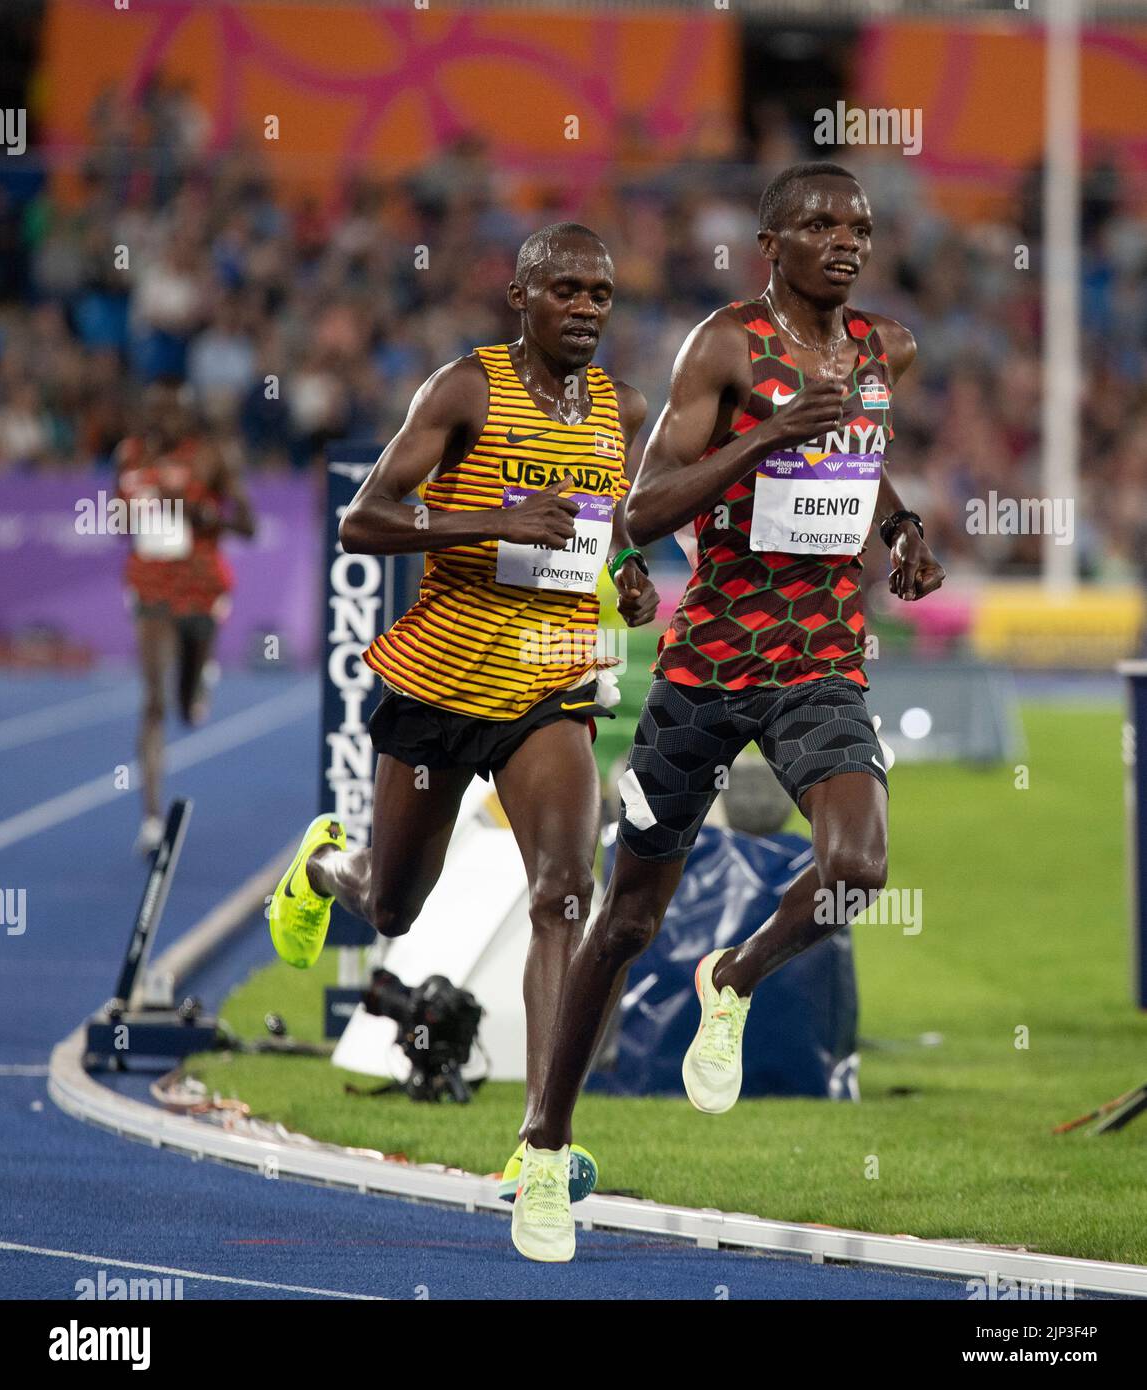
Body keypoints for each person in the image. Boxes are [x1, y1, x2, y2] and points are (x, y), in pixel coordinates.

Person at [511, 163, 946, 1262]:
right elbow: (644, 506)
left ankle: (733, 977)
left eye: (856, 225)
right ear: (769, 239)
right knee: (622, 925)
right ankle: (544, 1151)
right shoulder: (723, 348)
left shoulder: (884, 348)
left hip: (819, 665)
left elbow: (855, 460)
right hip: (706, 667)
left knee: (857, 869)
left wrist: (897, 526)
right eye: (818, 223)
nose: (843, 240)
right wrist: (765, 433)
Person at [267, 224, 659, 1203]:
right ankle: (323, 866)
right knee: (392, 902)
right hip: (441, 683)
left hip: (549, 682)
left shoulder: (621, 405)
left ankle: (540, 1144)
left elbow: (601, 519)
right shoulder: (464, 389)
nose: (584, 308)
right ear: (520, 296)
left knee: (566, 889)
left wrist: (627, 569)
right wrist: (488, 519)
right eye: (564, 289)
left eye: (599, 293)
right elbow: (363, 519)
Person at [115, 380, 255, 855]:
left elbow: (248, 524)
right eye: (155, 412)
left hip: (199, 591)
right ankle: (152, 821)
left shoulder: (210, 457)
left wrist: (208, 515)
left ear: (186, 414)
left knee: (186, 707)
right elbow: (117, 520)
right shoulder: (129, 456)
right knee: (153, 703)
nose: (163, 422)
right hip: (151, 588)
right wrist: (134, 520)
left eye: (173, 413)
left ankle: (199, 678)